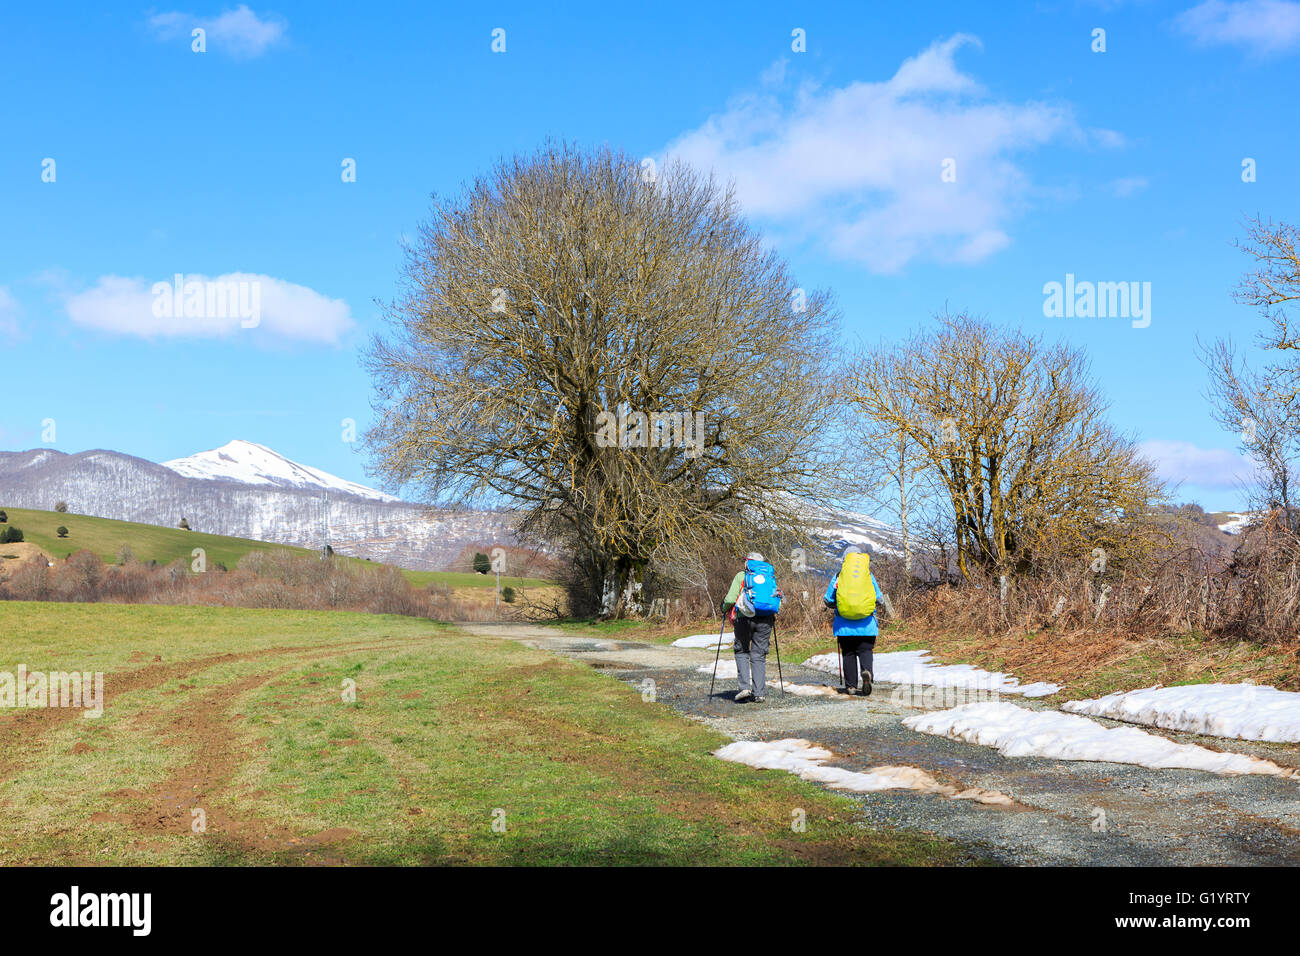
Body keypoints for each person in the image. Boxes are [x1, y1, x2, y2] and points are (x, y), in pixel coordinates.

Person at [823, 545, 884, 696]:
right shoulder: (868, 575)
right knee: (865, 650)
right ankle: (867, 673)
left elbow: (828, 599)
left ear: (844, 559)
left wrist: (836, 604)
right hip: (867, 624)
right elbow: (880, 598)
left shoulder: (839, 575)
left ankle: (850, 686)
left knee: (848, 653)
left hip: (844, 625)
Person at [721, 552, 779, 703]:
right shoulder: (770, 576)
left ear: (748, 561)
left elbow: (731, 598)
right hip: (766, 619)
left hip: (744, 619)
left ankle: (745, 688)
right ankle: (759, 693)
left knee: (741, 651)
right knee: (759, 654)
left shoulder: (742, 576)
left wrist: (724, 607)